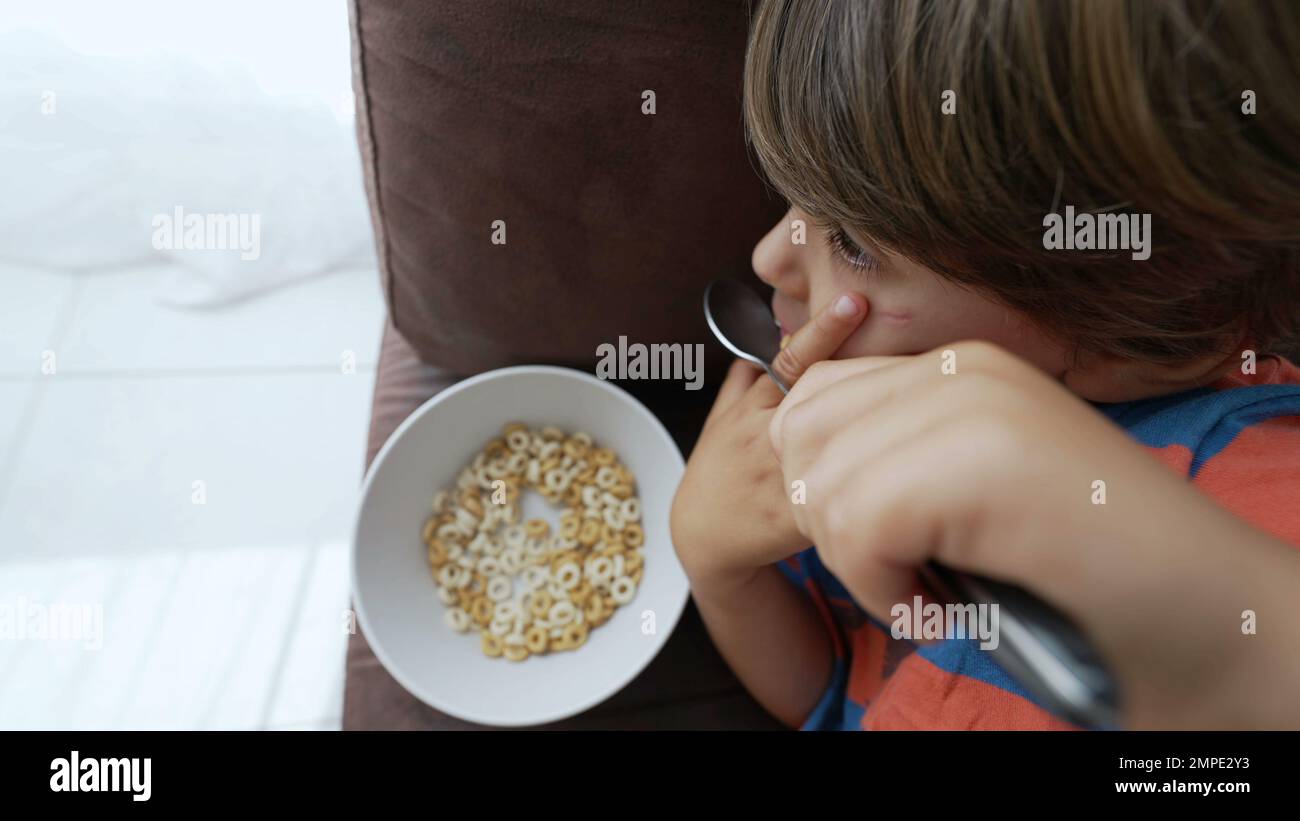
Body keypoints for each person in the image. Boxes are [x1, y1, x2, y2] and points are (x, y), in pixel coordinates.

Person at [670, 0, 1300, 730]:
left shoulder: (1254, 495)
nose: (767, 256)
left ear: (1122, 341)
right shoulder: (836, 417)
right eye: (793, 201)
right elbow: (841, 694)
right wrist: (716, 564)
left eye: (852, 243)